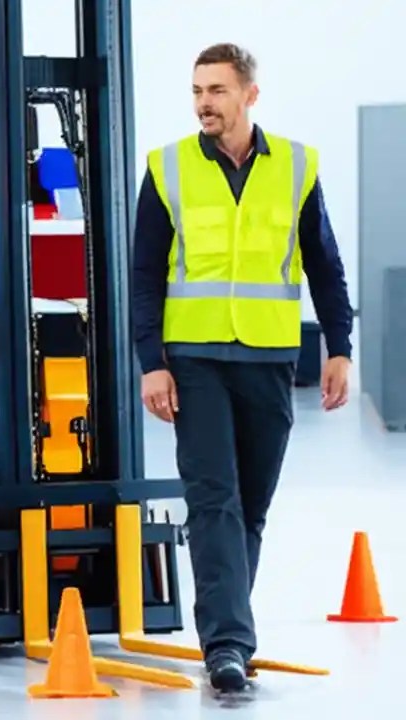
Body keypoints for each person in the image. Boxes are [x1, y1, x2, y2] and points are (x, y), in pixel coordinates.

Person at [130, 43, 353, 692]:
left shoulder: (296, 167)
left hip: (269, 357)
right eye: (197, 90)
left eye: (217, 90)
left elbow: (324, 263)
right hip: (194, 359)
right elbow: (145, 274)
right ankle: (226, 645)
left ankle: (228, 627)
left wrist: (339, 346)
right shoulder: (168, 167)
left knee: (251, 504)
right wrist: (151, 362)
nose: (204, 102)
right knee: (213, 500)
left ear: (250, 95)